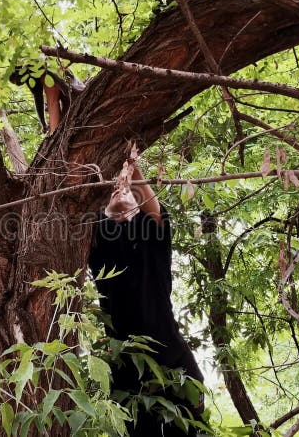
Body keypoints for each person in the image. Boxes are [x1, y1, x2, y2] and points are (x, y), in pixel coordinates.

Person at [88, 165, 205, 436]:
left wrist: (132, 165)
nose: (121, 190)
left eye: (128, 190)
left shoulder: (152, 233)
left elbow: (153, 208)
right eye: (114, 189)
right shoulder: (98, 234)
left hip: (175, 369)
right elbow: (70, 180)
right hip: (128, 379)